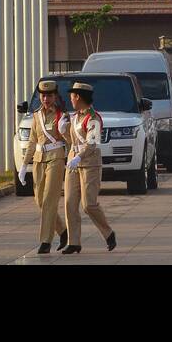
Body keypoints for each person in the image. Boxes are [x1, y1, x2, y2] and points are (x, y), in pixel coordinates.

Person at [62, 81, 116, 255]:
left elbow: (92, 142)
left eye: (72, 96)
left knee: (89, 205)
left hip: (89, 164)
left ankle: (108, 233)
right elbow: (71, 141)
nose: (70, 99)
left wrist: (79, 157)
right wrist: (63, 130)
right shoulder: (75, 116)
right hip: (73, 163)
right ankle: (74, 242)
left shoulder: (93, 118)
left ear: (78, 97)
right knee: (70, 203)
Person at [18, 79, 70, 253]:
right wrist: (25, 164)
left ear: (55, 96)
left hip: (56, 158)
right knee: (40, 200)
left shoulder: (62, 115)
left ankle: (45, 241)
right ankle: (63, 231)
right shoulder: (36, 115)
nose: (46, 99)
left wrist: (64, 131)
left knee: (49, 200)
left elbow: (69, 141)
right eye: (43, 96)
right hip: (39, 159)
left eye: (49, 95)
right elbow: (32, 141)